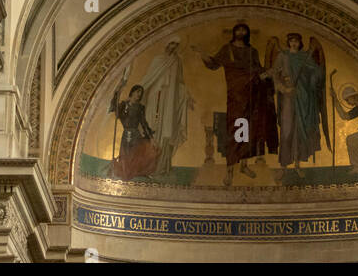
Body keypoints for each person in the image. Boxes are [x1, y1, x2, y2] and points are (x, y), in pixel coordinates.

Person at [196, 22, 278, 186]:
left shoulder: (252, 51)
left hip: (251, 96)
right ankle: (229, 172)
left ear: (246, 33)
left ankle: (244, 166)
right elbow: (213, 63)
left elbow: (258, 69)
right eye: (238, 29)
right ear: (234, 32)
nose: (241, 32)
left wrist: (268, 74)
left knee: (248, 132)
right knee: (234, 133)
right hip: (235, 97)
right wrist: (202, 53)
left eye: (244, 30)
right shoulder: (228, 50)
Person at [262, 33, 326, 178]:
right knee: (286, 130)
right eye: (291, 41)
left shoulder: (305, 57)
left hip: (304, 98)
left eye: (296, 41)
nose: (294, 44)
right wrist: (283, 88)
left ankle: (297, 164)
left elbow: (317, 72)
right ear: (288, 42)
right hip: (288, 97)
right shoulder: (283, 56)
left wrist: (315, 78)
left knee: (299, 131)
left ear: (300, 43)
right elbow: (275, 73)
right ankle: (283, 166)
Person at [140, 38, 194, 176]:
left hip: (170, 102)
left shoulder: (177, 61)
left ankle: (162, 167)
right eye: (171, 43)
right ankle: (148, 166)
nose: (173, 47)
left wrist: (187, 96)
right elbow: (149, 78)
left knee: (167, 130)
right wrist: (137, 94)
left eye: (176, 44)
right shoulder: (158, 60)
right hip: (155, 99)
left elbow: (180, 82)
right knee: (153, 128)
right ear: (166, 44)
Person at [110, 85, 159, 180]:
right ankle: (125, 172)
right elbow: (114, 109)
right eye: (137, 92)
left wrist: (151, 138)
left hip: (136, 134)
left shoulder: (140, 107)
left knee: (140, 153)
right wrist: (116, 94)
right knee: (126, 156)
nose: (139, 94)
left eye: (140, 93)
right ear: (132, 92)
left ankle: (141, 172)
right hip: (126, 134)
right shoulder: (123, 105)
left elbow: (144, 123)